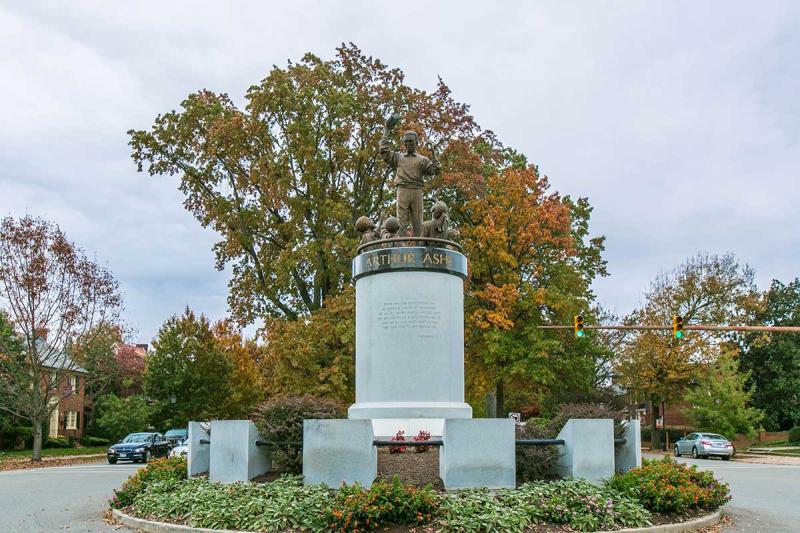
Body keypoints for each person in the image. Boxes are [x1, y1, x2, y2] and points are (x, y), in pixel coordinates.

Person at [379, 113, 441, 237]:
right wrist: (387, 130)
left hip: (417, 190)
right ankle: (400, 244)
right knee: (400, 222)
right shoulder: (398, 157)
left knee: (418, 222)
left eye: (411, 142)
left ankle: (420, 244)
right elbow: (384, 151)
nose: (408, 144)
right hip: (402, 190)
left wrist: (433, 153)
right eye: (405, 142)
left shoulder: (422, 160)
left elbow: (435, 170)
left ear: (417, 142)